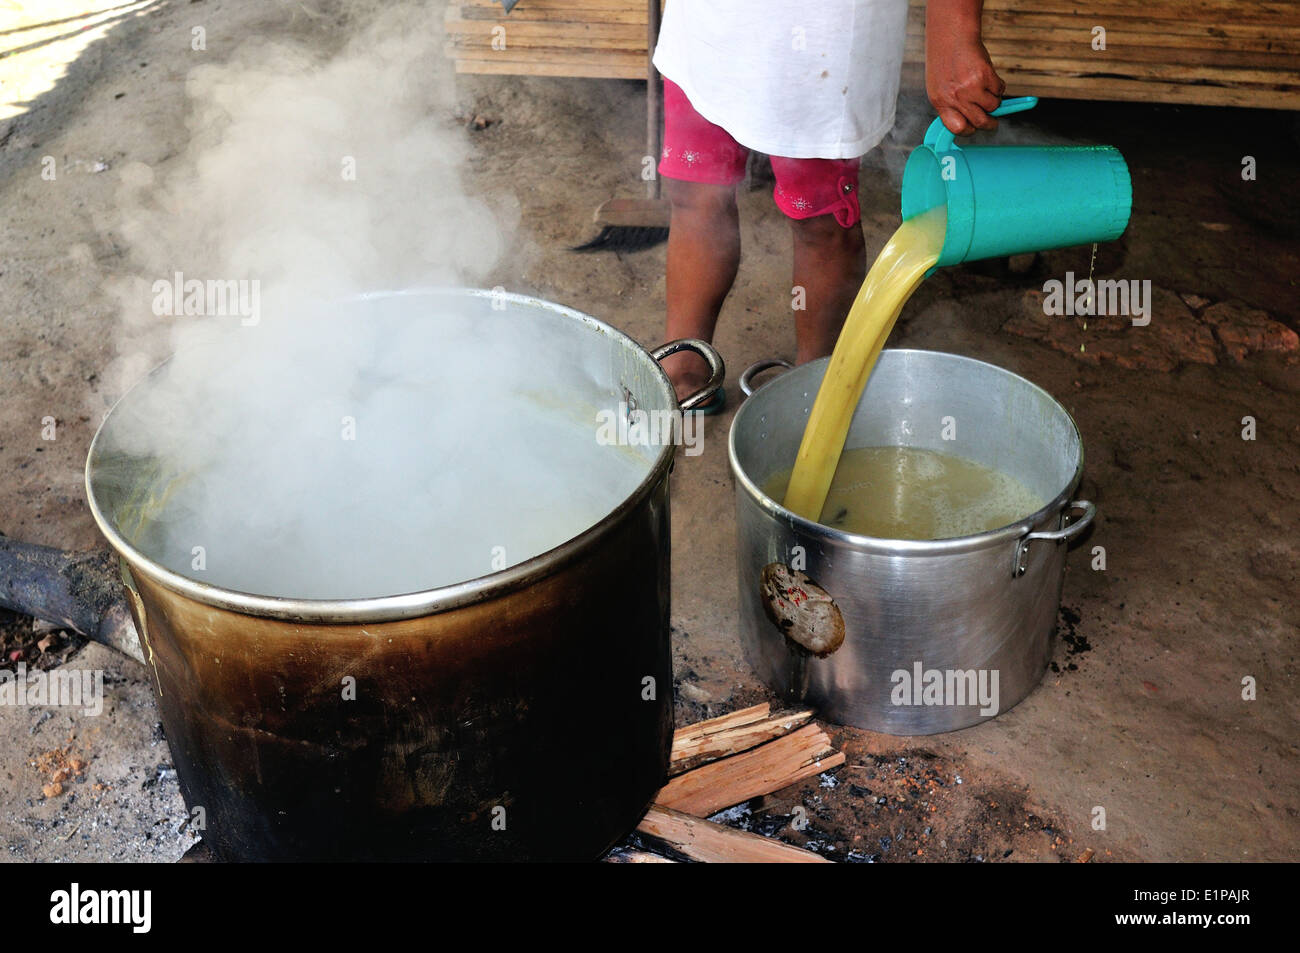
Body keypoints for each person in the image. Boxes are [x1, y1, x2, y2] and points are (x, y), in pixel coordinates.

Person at [653, 0, 1007, 404]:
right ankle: (683, 369)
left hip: (825, 31)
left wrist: (955, 33)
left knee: (818, 218)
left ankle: (819, 391)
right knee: (693, 188)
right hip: (707, 19)